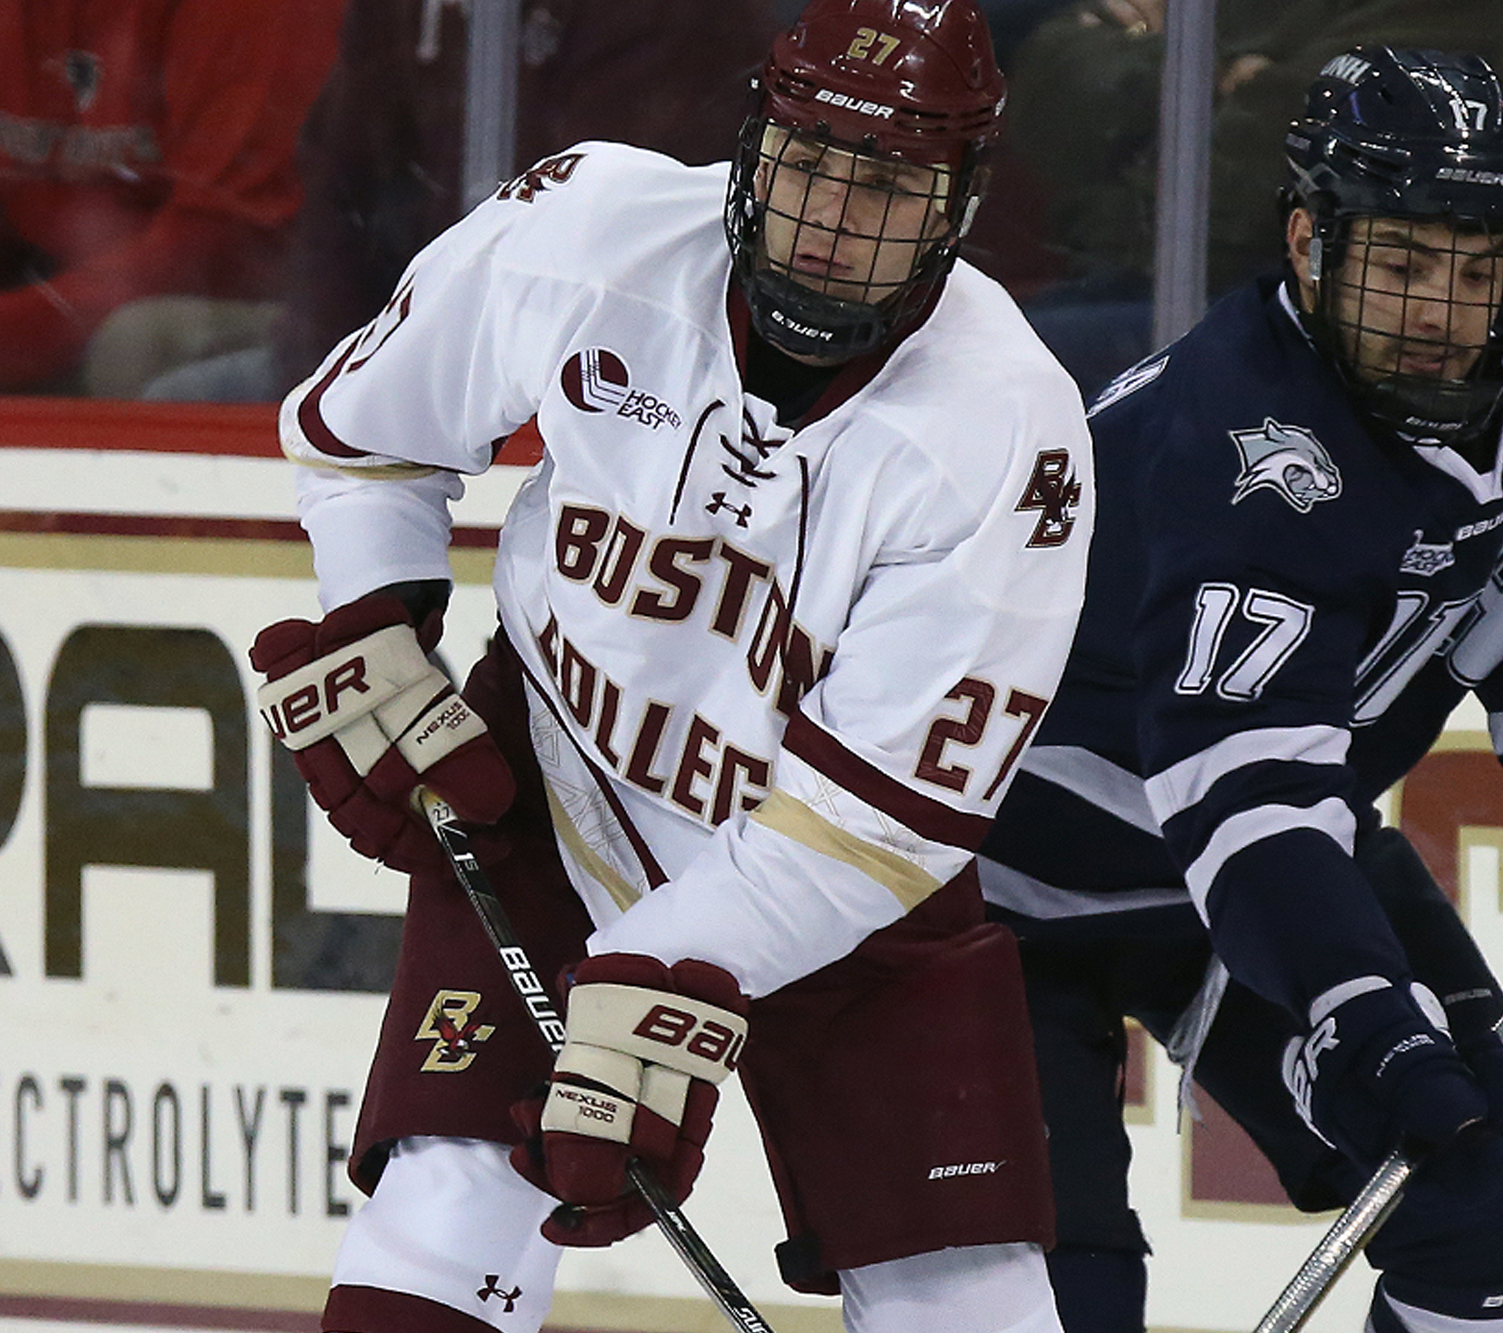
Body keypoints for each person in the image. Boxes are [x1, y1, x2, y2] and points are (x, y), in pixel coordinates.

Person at [247, 2, 1094, 1330]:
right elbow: (367, 445)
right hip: (550, 795)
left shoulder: (1007, 433)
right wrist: (377, 621)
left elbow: (877, 819)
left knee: (968, 1295)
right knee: (447, 1199)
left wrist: (667, 969)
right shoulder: (590, 233)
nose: (832, 215)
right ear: (753, 140)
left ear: (962, 200)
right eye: (810, 160)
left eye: (888, 182)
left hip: (838, 886)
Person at [976, 48, 1503, 1333]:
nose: (1438, 309)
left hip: (1257, 852)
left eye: (1473, 271)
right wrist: (1358, 1007)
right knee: (1047, 1298)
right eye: (1401, 263)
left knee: (1495, 1210)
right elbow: (1243, 784)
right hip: (998, 886)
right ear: (1308, 244)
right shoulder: (1247, 444)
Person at [143, 0, 778, 402]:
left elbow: (616, 242)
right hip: (418, 343)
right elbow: (342, 185)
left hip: (609, 382)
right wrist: (337, 376)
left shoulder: (676, 18)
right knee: (159, 375)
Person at [1000, 0, 1503, 396]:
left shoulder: (1446, 13)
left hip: (1295, 301)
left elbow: (1234, 200)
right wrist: (1218, 76)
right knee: (977, 340)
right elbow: (1045, 88)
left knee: (1013, 370)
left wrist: (1155, 70)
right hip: (1133, 276)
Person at [0, 0, 343, 397]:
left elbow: (224, 249)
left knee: (138, 343)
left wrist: (19, 331)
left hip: (271, 304)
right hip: (68, 282)